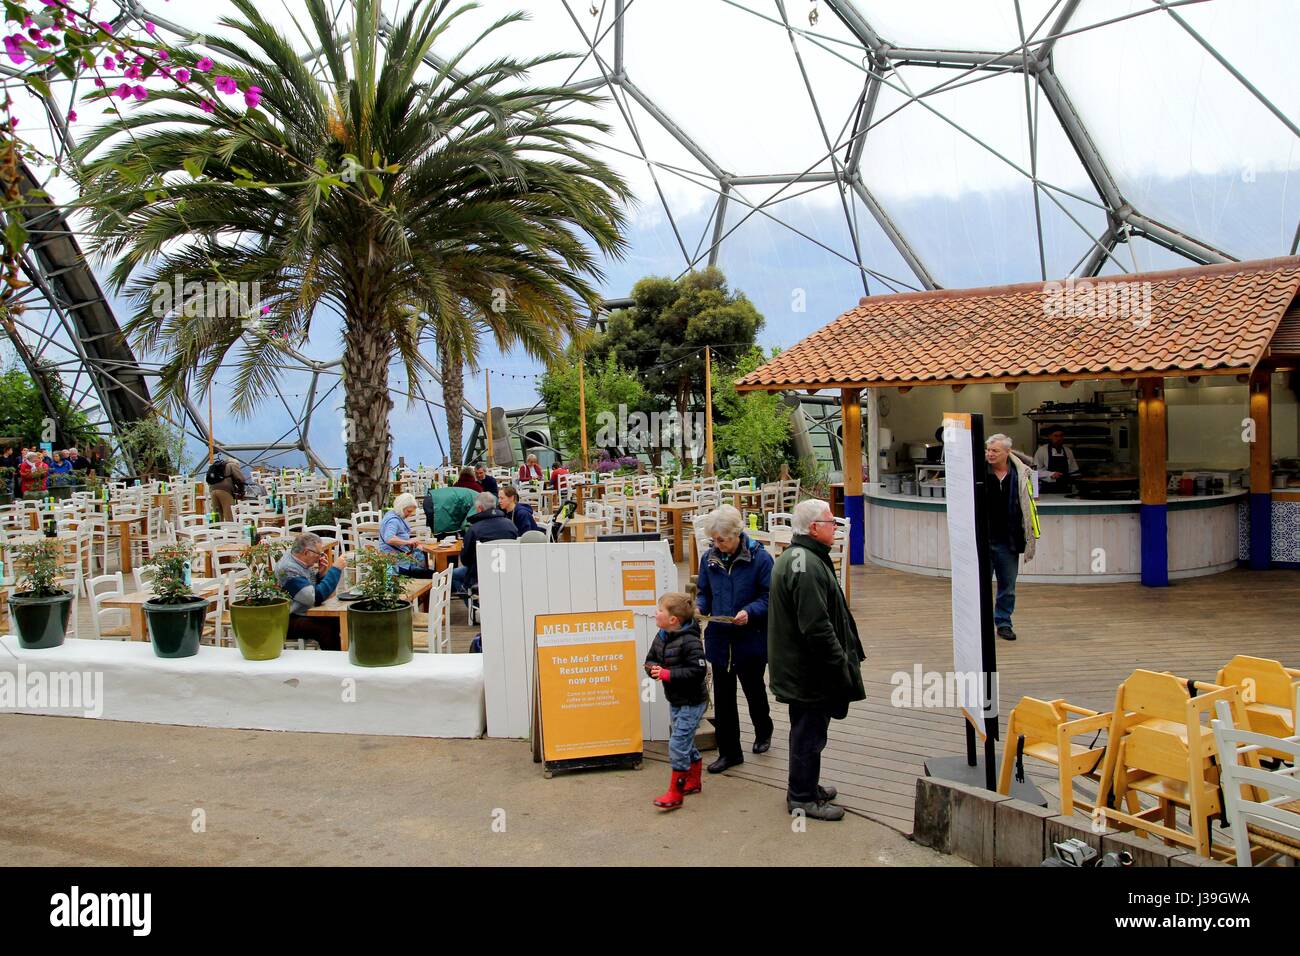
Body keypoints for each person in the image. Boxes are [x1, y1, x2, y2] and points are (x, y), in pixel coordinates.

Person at [768, 498, 865, 822]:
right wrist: (840, 663)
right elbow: (816, 627)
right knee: (808, 734)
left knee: (808, 732)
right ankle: (802, 798)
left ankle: (807, 788)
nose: (835, 527)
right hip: (808, 671)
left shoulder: (802, 558)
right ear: (813, 528)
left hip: (803, 668)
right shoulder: (805, 564)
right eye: (830, 522)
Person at [695, 505, 774, 774]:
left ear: (737, 534)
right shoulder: (709, 559)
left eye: (723, 540)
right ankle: (730, 752)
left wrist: (749, 612)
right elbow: (704, 591)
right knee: (724, 698)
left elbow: (769, 596)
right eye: (714, 540)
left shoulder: (760, 559)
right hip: (719, 639)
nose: (718, 545)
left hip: (750, 638)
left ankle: (764, 730)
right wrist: (699, 607)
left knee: (754, 690)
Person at [645, 592, 709, 810]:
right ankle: (694, 780)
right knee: (685, 741)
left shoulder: (690, 640)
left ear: (673, 619)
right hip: (675, 699)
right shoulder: (661, 636)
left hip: (693, 701)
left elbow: (698, 670)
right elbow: (651, 659)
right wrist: (652, 670)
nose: (656, 613)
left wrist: (668, 674)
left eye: (660, 610)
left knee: (678, 742)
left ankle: (676, 791)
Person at [984, 434, 1040, 641]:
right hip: (983, 540)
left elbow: (1032, 499)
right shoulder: (977, 472)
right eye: (988, 450)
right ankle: (980, 624)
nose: (990, 454)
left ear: (1007, 452)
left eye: (994, 450)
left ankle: (1004, 623)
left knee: (1007, 586)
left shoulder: (1022, 473)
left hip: (1009, 540)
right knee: (980, 585)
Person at [274, 532, 348, 651]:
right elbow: (315, 597)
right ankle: (335, 664)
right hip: (287, 618)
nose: (320, 557)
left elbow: (311, 589)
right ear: (306, 552)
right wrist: (335, 570)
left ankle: (345, 654)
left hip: (303, 611)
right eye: (319, 553)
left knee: (343, 620)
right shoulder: (289, 569)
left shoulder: (298, 560)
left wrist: (321, 574)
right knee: (326, 629)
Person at [452, 491, 519, 594]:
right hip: (508, 572)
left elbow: (465, 560)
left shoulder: (474, 529)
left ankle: (474, 604)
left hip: (479, 575)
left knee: (453, 575)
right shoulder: (510, 525)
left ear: (479, 508)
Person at [379, 492, 433, 579]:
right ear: (401, 507)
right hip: (398, 565)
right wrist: (408, 542)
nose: (410, 514)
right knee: (435, 575)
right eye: (409, 511)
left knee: (432, 573)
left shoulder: (391, 514)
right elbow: (389, 538)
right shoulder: (394, 521)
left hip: (399, 561)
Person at [1033, 428, 1080, 495]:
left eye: (1061, 436)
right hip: (1047, 490)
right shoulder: (1042, 450)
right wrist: (1051, 474)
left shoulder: (1068, 451)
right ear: (1050, 437)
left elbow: (1074, 472)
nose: (1059, 438)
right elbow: (1035, 471)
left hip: (1065, 490)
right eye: (1056, 436)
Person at [207, 456, 246, 521]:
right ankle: (232, 530)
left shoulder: (217, 467)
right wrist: (241, 491)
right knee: (229, 513)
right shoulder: (233, 465)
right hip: (225, 490)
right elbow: (241, 479)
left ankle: (217, 530)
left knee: (217, 514)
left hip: (212, 490)